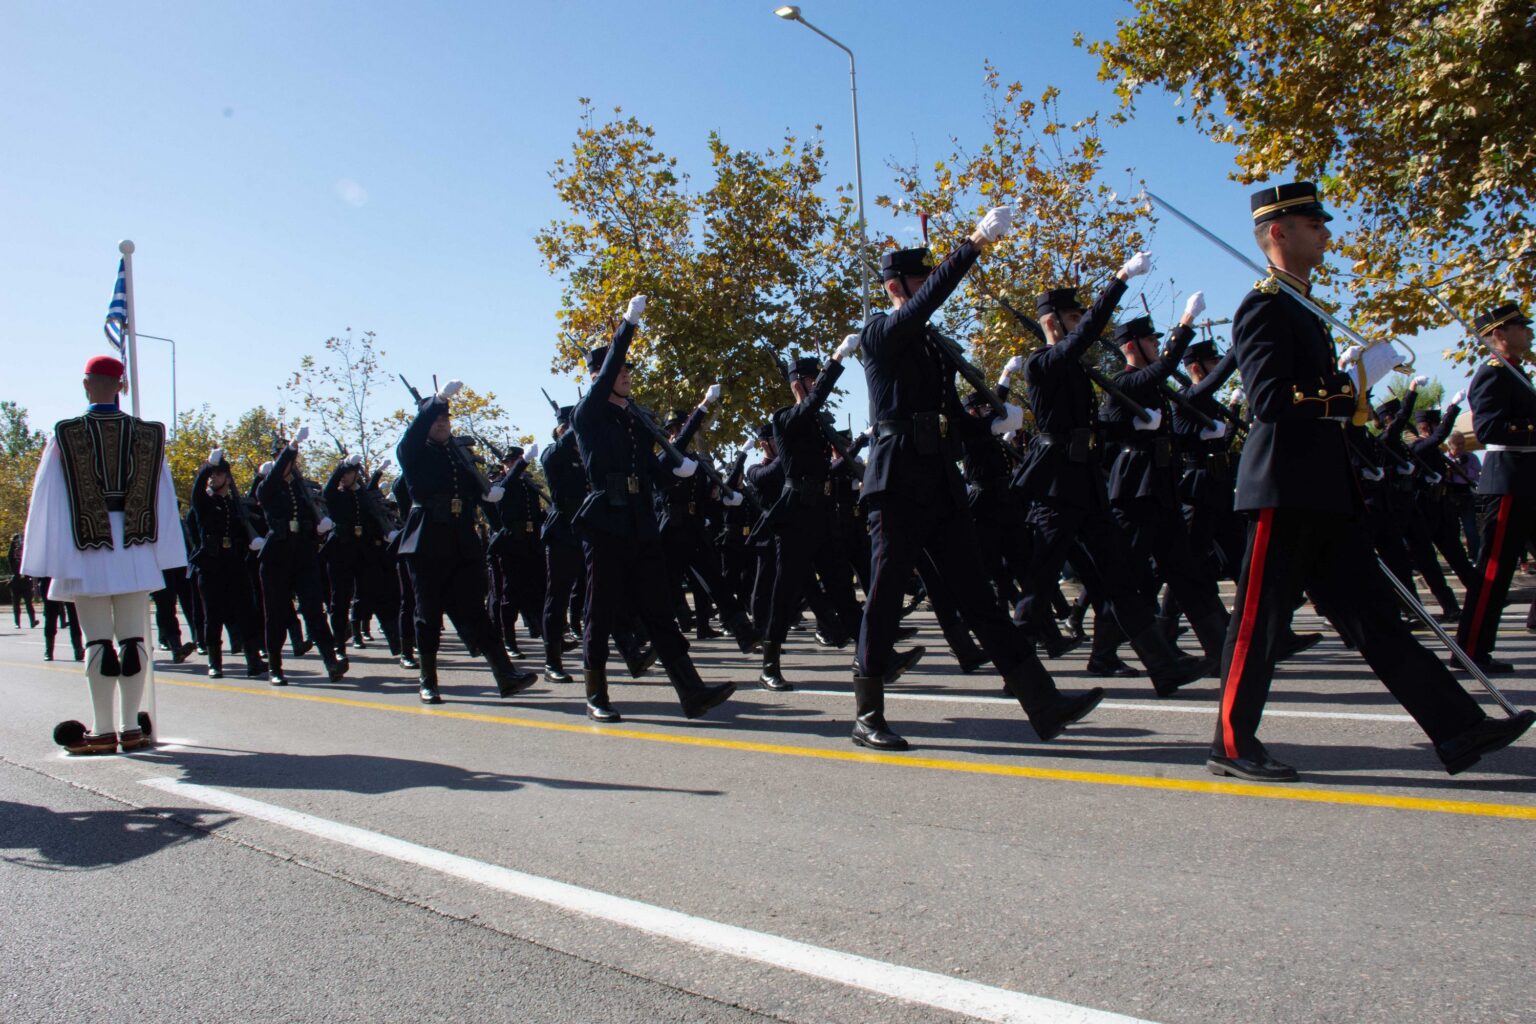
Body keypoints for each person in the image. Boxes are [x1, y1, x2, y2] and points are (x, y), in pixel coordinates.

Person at [1208, 182, 1532, 781]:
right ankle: (1230, 742)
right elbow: (1271, 399)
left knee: (1376, 618)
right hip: (1283, 484)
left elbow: (1327, 405)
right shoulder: (1266, 306)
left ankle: (1458, 728)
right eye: (1313, 225)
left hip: (1326, 489)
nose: (1326, 234)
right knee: (1261, 618)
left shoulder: (1302, 305)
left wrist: (1352, 381)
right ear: (1279, 232)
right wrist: (1352, 384)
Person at [851, 205, 1104, 751]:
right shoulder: (880, 333)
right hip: (895, 482)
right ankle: (868, 712)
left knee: (980, 597)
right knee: (886, 594)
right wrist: (971, 245)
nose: (924, 288)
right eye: (916, 280)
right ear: (897, 286)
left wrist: (990, 422)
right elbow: (929, 299)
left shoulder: (930, 347)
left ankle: (1042, 702)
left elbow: (945, 414)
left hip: (939, 480)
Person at [570, 295, 735, 723]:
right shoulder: (588, 415)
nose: (625, 374)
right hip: (606, 521)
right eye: (618, 369)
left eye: (627, 369)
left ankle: (692, 690)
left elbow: (648, 469)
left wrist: (676, 471)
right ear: (598, 377)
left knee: (659, 607)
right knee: (600, 610)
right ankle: (596, 695)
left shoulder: (632, 420)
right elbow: (608, 370)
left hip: (640, 522)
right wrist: (627, 325)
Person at [23, 355, 187, 755]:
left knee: (97, 642)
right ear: (121, 386)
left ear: (85, 384)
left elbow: (49, 499)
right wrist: (164, 552)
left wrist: (52, 554)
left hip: (86, 547)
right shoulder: (149, 434)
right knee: (133, 640)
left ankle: (102, 728)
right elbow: (163, 498)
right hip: (135, 546)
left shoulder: (65, 434)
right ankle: (131, 726)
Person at [396, 382, 538, 704]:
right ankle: (428, 680)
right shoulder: (413, 451)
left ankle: (505, 674)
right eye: (435, 419)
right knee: (427, 613)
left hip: (460, 540)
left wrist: (491, 493)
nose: (442, 423)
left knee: (474, 611)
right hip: (427, 541)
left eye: (445, 419)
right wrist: (437, 401)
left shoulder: (457, 456)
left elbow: (475, 490)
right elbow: (414, 435)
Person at [1455, 303, 1536, 671]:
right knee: (1494, 571)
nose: (1529, 331)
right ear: (1500, 334)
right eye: (1521, 326)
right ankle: (1470, 651)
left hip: (1527, 477)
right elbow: (1488, 429)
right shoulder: (1492, 374)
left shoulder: (1517, 372)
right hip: (1508, 480)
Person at [188, 448, 267, 678]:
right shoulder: (204, 502)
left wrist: (252, 540)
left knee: (246, 612)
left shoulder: (235, 505)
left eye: (219, 474)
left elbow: (245, 526)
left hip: (234, 563)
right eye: (212, 475)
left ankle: (253, 660)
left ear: (227, 477)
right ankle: (215, 663)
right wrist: (207, 466)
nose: (214, 478)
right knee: (213, 615)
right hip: (211, 566)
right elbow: (196, 490)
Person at [8, 534, 38, 628]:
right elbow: (10, 555)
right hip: (16, 582)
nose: (19, 552)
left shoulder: (25, 558)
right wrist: (13, 543)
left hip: (25, 582)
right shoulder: (13, 560)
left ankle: (32, 621)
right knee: (16, 604)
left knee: (29, 603)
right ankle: (17, 623)